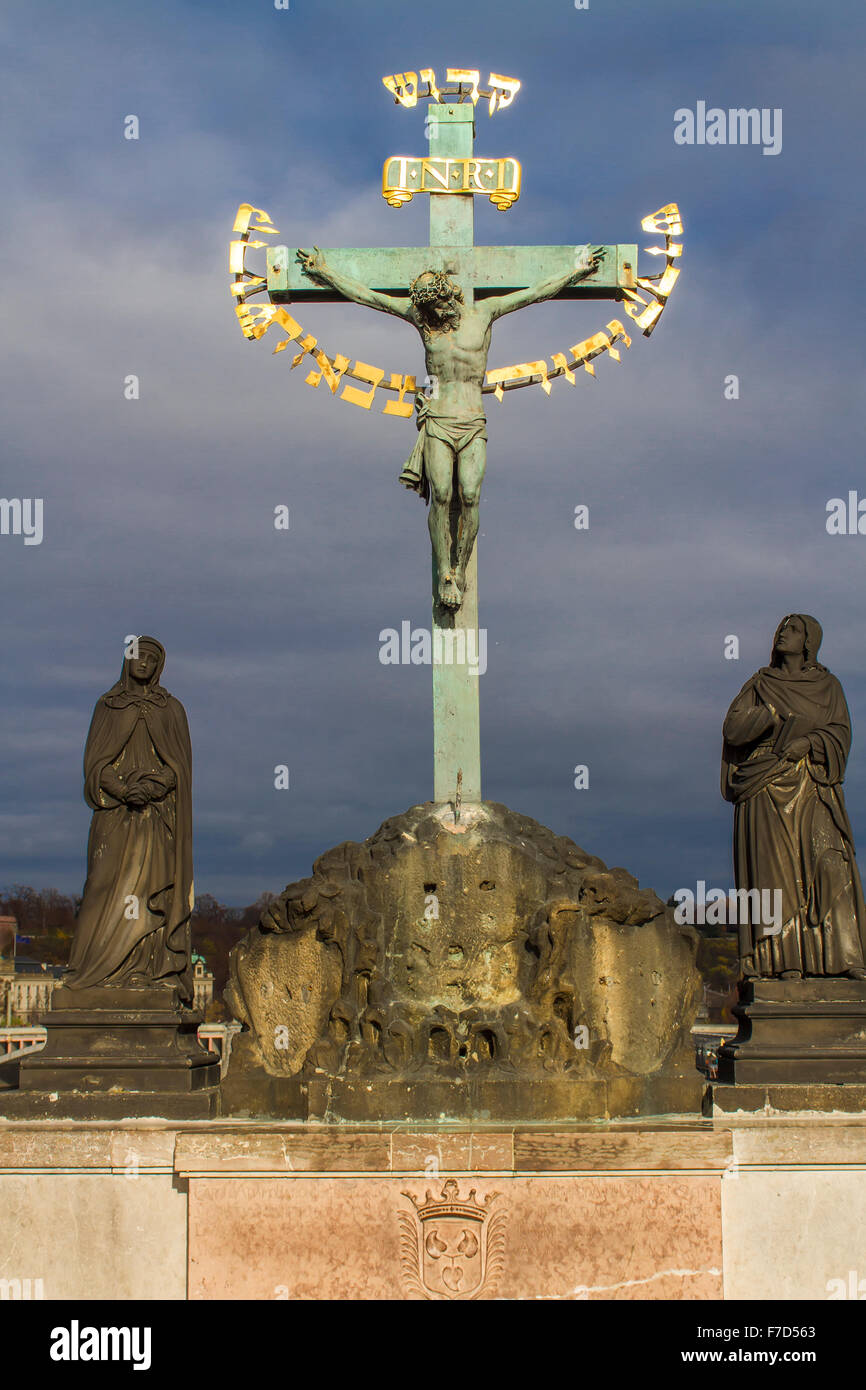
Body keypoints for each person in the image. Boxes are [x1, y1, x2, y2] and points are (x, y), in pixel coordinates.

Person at [296, 247, 604, 610]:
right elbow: (370, 297)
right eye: (428, 311)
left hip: (472, 420)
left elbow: (535, 292)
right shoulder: (423, 320)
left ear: (449, 294)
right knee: (442, 494)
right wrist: (326, 273)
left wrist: (576, 270)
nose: (435, 316)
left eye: (439, 307)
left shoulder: (484, 312)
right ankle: (444, 571)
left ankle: (460, 568)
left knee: (470, 495)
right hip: (439, 420)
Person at [721, 614, 866, 979]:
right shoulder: (760, 683)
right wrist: (768, 717)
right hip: (766, 782)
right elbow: (733, 729)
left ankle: (845, 956)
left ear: (809, 642)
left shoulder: (828, 686)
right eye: (782, 629)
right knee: (775, 876)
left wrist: (811, 741)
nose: (784, 633)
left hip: (813, 781)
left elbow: (840, 734)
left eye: (795, 629)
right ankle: (783, 961)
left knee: (831, 862)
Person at [65, 637, 194, 1001]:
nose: (145, 663)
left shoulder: (171, 709)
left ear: (159, 666)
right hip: (115, 814)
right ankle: (89, 972)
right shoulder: (108, 706)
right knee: (102, 886)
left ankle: (145, 969)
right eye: (139, 656)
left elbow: (180, 769)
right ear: (127, 661)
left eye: (153, 659)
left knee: (153, 889)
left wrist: (154, 787)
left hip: (157, 816)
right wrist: (122, 790)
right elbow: (94, 764)